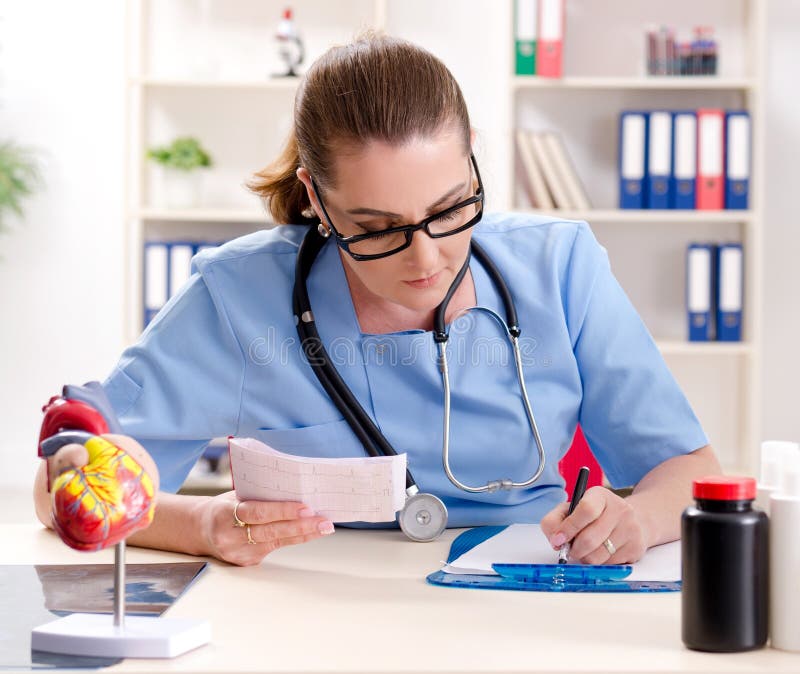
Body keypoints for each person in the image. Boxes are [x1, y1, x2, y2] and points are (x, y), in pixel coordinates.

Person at [34, 33, 720, 567]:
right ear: (316, 198)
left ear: (472, 158)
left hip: (525, 598)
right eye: (377, 228)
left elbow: (688, 470)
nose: (426, 259)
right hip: (316, 617)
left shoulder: (560, 265)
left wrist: (638, 519)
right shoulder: (237, 295)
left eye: (450, 209)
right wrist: (202, 525)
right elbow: (57, 489)